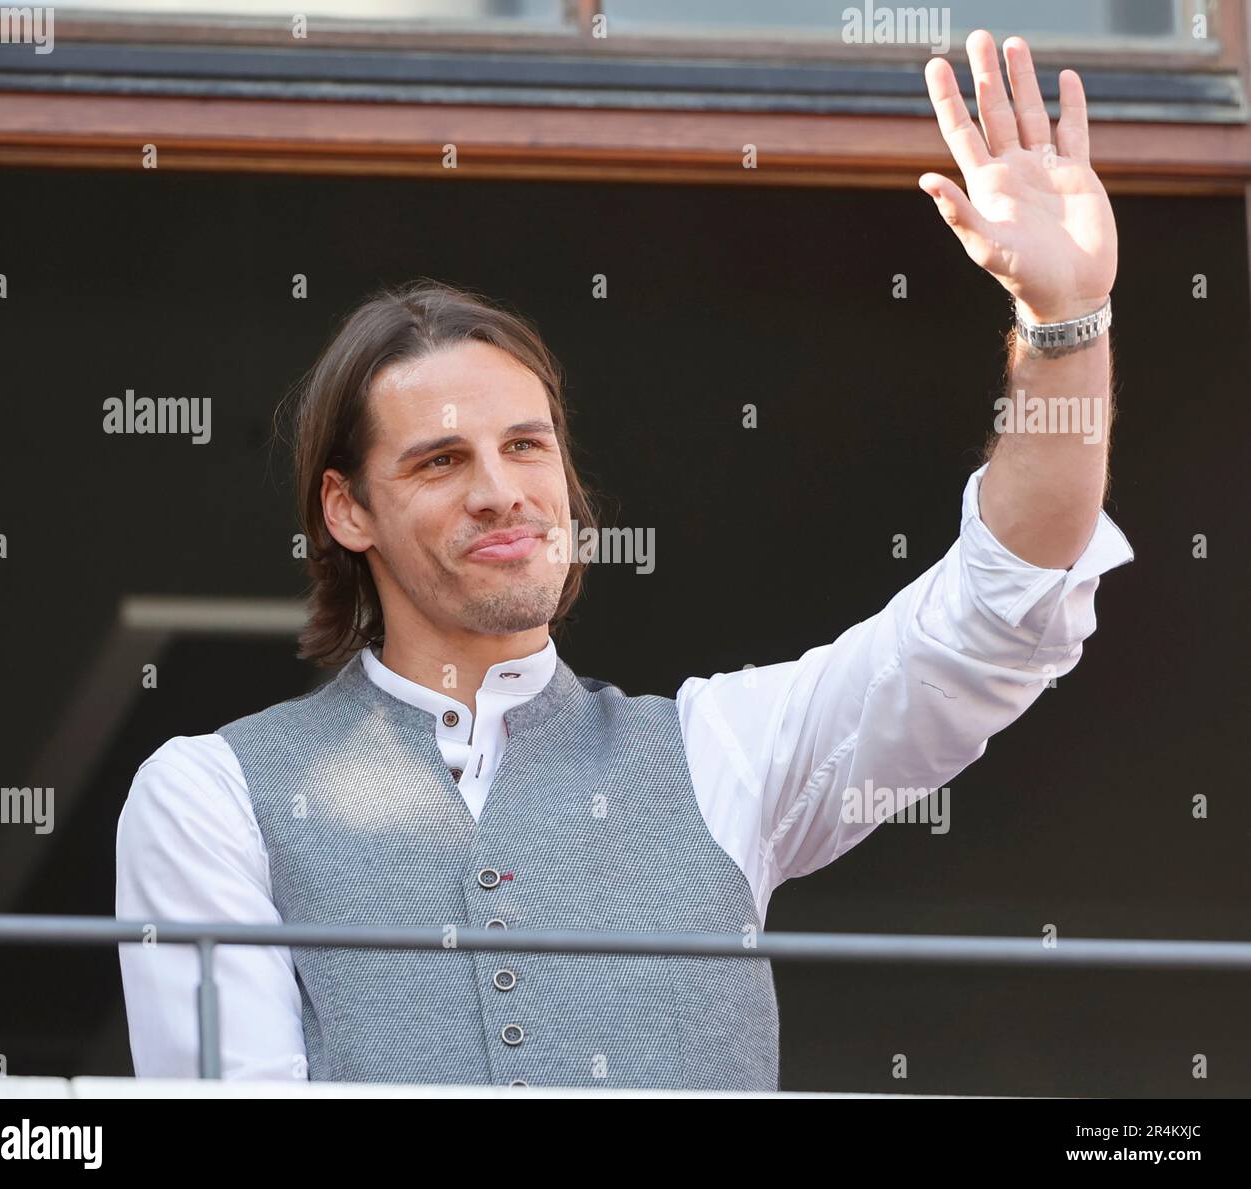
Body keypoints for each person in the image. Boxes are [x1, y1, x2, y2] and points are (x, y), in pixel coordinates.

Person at [116, 31, 1133, 1088]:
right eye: (438, 460)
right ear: (348, 509)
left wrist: (1063, 321)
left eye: (525, 445)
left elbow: (1000, 605)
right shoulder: (211, 795)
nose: (500, 489)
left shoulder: (723, 755)